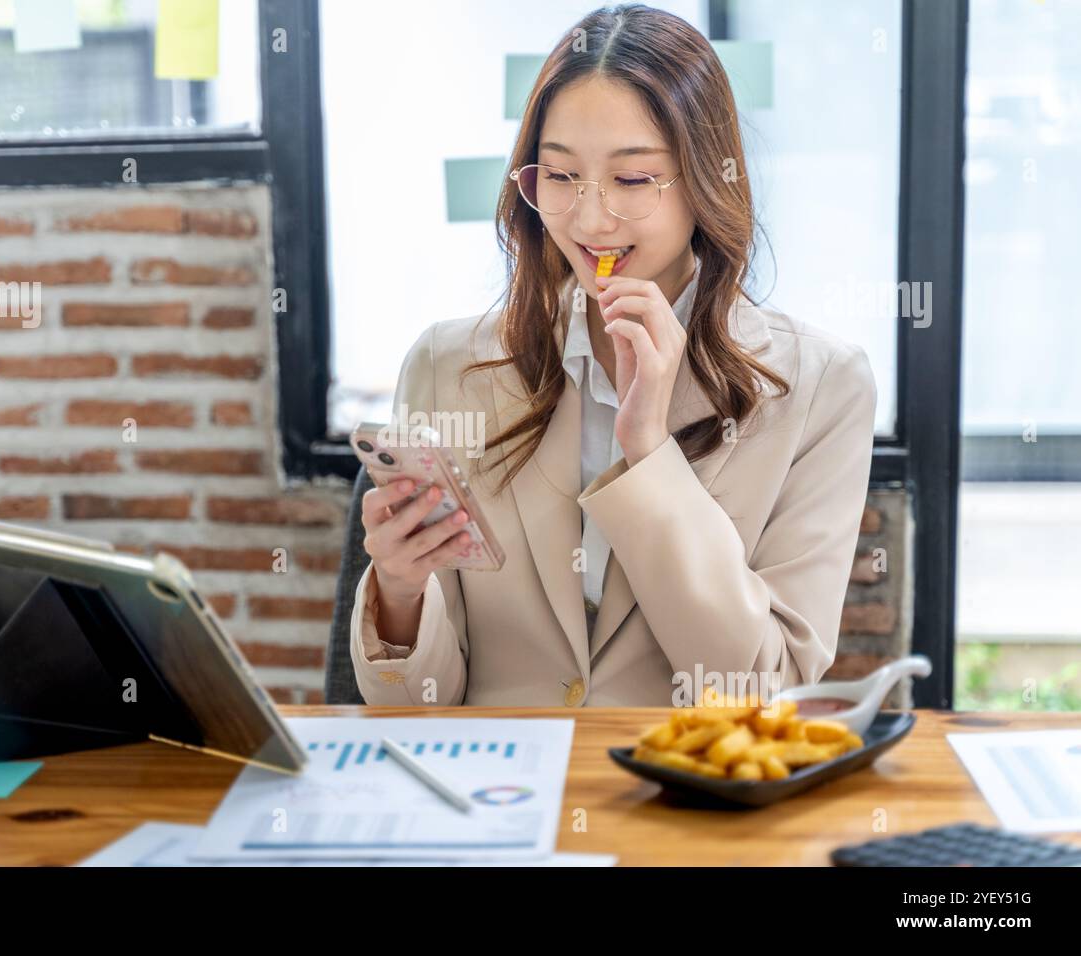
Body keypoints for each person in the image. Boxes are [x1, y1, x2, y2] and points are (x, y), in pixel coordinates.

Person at [350, 4, 876, 707]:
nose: (591, 221)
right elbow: (415, 709)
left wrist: (650, 452)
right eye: (560, 178)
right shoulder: (448, 366)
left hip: (685, 799)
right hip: (499, 794)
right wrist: (399, 593)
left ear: (704, 180)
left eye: (633, 181)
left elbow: (759, 694)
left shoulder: (821, 387)